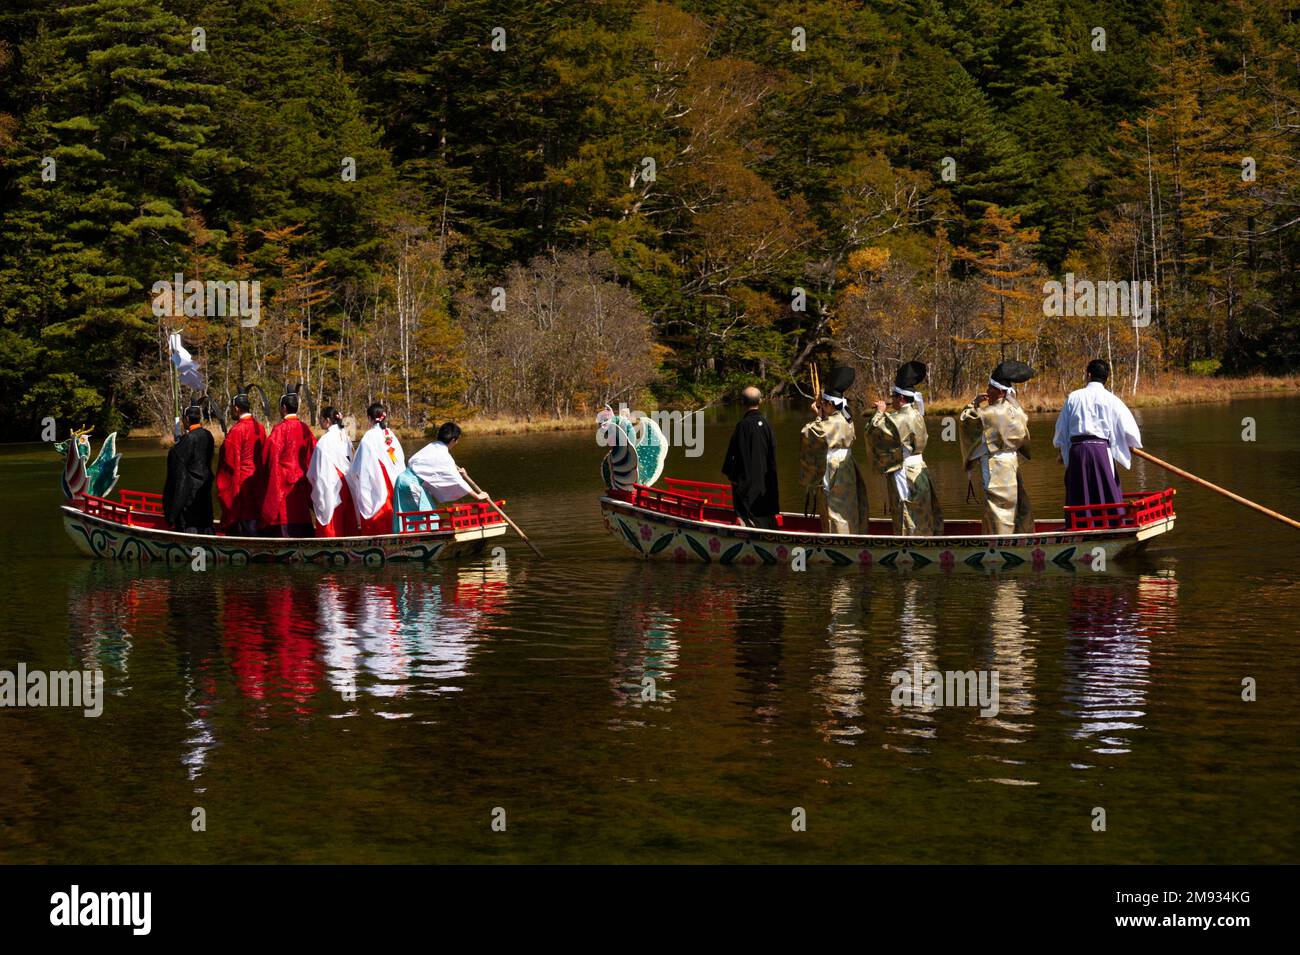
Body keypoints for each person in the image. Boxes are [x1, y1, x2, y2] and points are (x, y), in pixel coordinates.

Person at [1052, 358, 1143, 516]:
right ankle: (1111, 523)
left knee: (1079, 492)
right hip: (1100, 451)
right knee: (1106, 489)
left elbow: (1062, 430)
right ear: (1106, 377)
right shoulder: (1112, 399)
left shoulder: (1074, 397)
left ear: (1088, 374)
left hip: (1078, 451)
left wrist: (1063, 451)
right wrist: (1128, 444)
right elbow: (1130, 430)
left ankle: (1080, 526)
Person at [866, 360, 943, 536]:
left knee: (905, 508)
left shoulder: (899, 418)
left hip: (905, 470)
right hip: (919, 468)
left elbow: (874, 432)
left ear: (900, 398)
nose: (891, 399)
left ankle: (909, 542)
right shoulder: (916, 413)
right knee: (921, 507)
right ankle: (925, 537)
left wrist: (879, 412)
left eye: (893, 396)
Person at [959, 360, 1035, 535]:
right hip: (1012, 462)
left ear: (1000, 391)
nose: (987, 392)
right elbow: (1024, 439)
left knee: (997, 504)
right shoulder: (1017, 411)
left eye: (990, 389)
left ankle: (998, 539)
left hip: (995, 463)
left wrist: (973, 404)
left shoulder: (989, 412)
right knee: (1014, 500)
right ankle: (1019, 533)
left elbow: (966, 421)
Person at [799, 365, 870, 535]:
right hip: (847, 466)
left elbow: (808, 434)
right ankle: (853, 533)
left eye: (823, 403)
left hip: (833, 468)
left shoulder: (832, 422)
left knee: (834, 508)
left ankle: (837, 539)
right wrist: (822, 415)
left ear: (830, 403)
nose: (821, 406)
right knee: (848, 506)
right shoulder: (846, 415)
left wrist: (817, 416)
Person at [260, 390, 317, 537]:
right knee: (300, 513)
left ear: (284, 408)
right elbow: (313, 455)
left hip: (283, 483)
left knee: (284, 515)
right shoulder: (305, 429)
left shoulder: (280, 429)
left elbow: (269, 457)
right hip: (301, 480)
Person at [721, 386, 780, 529]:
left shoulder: (742, 426)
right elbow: (772, 453)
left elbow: (733, 456)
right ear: (760, 401)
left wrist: (732, 476)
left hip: (748, 486)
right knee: (766, 514)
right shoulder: (766, 424)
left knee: (749, 516)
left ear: (742, 402)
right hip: (767, 486)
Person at [349, 402, 405, 535]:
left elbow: (360, 465)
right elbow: (399, 458)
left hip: (378, 480)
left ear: (369, 418)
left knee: (375, 504)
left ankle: (377, 535)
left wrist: (353, 474)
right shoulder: (389, 434)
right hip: (393, 479)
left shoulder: (369, 436)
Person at [215, 392, 265, 535]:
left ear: (237, 408)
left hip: (242, 480)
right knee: (255, 511)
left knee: (243, 513)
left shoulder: (237, 430)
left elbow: (229, 461)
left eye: (232, 408)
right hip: (258, 477)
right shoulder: (260, 427)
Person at [163, 404, 215, 534]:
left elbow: (176, 464)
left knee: (191, 522)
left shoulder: (189, 439)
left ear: (186, 419)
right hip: (205, 485)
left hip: (191, 491)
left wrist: (176, 447)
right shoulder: (208, 435)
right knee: (205, 519)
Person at [307, 407, 359, 537]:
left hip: (334, 484)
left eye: (321, 419)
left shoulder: (324, 441)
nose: (320, 422)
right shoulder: (345, 437)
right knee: (347, 518)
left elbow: (317, 471)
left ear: (328, 421)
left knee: (333, 517)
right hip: (347, 483)